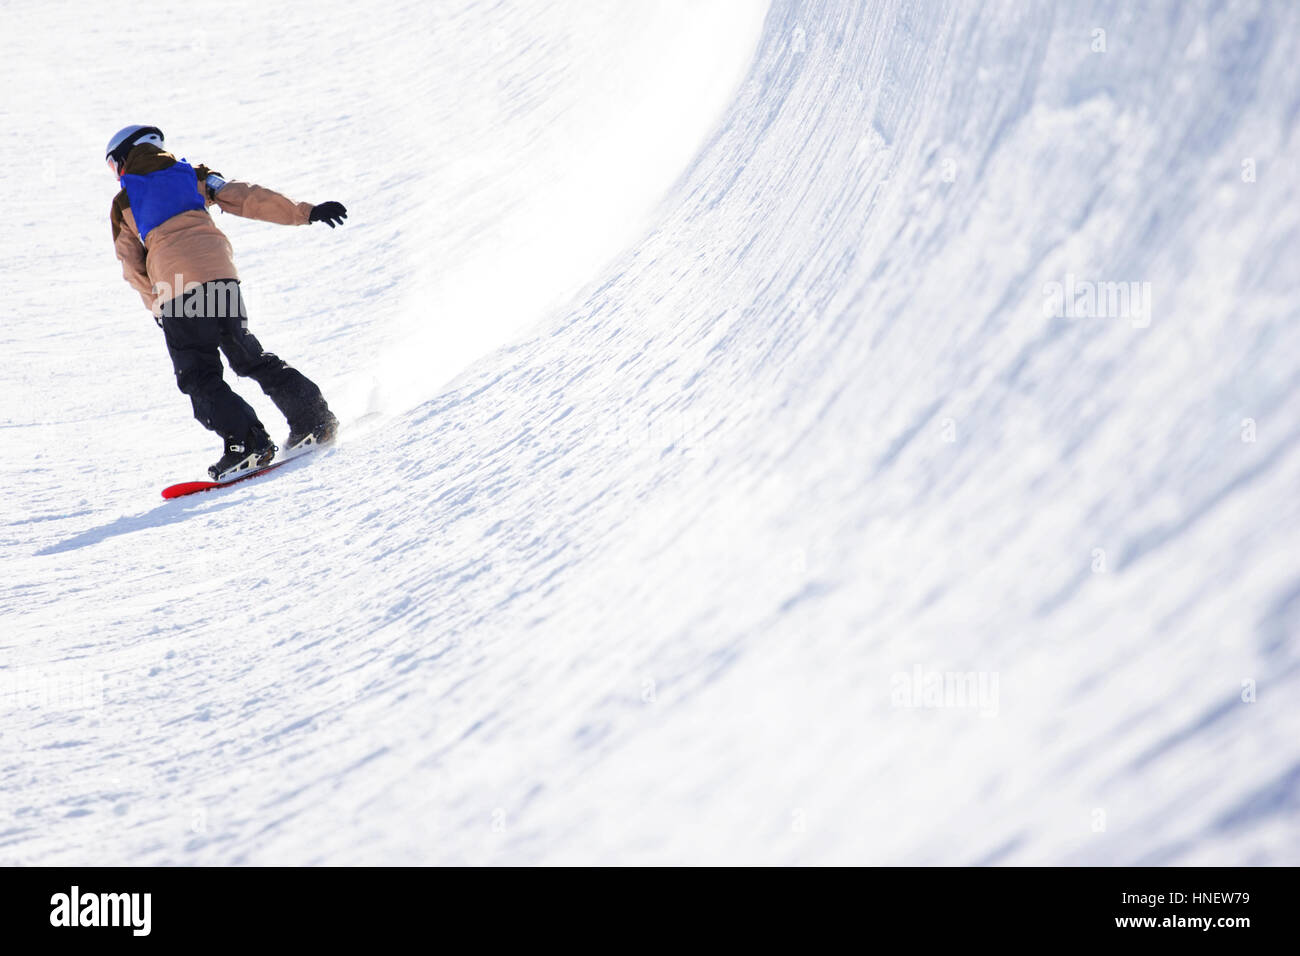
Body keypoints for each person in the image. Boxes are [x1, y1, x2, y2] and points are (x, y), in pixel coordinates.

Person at [106, 124, 346, 480]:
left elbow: (132, 263)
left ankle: (247, 443)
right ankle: (312, 418)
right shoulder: (192, 175)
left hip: (176, 286)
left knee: (199, 375)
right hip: (220, 274)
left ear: (124, 157)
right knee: (248, 356)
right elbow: (246, 196)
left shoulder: (124, 200)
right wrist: (304, 212)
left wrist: (156, 303)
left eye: (114, 166)